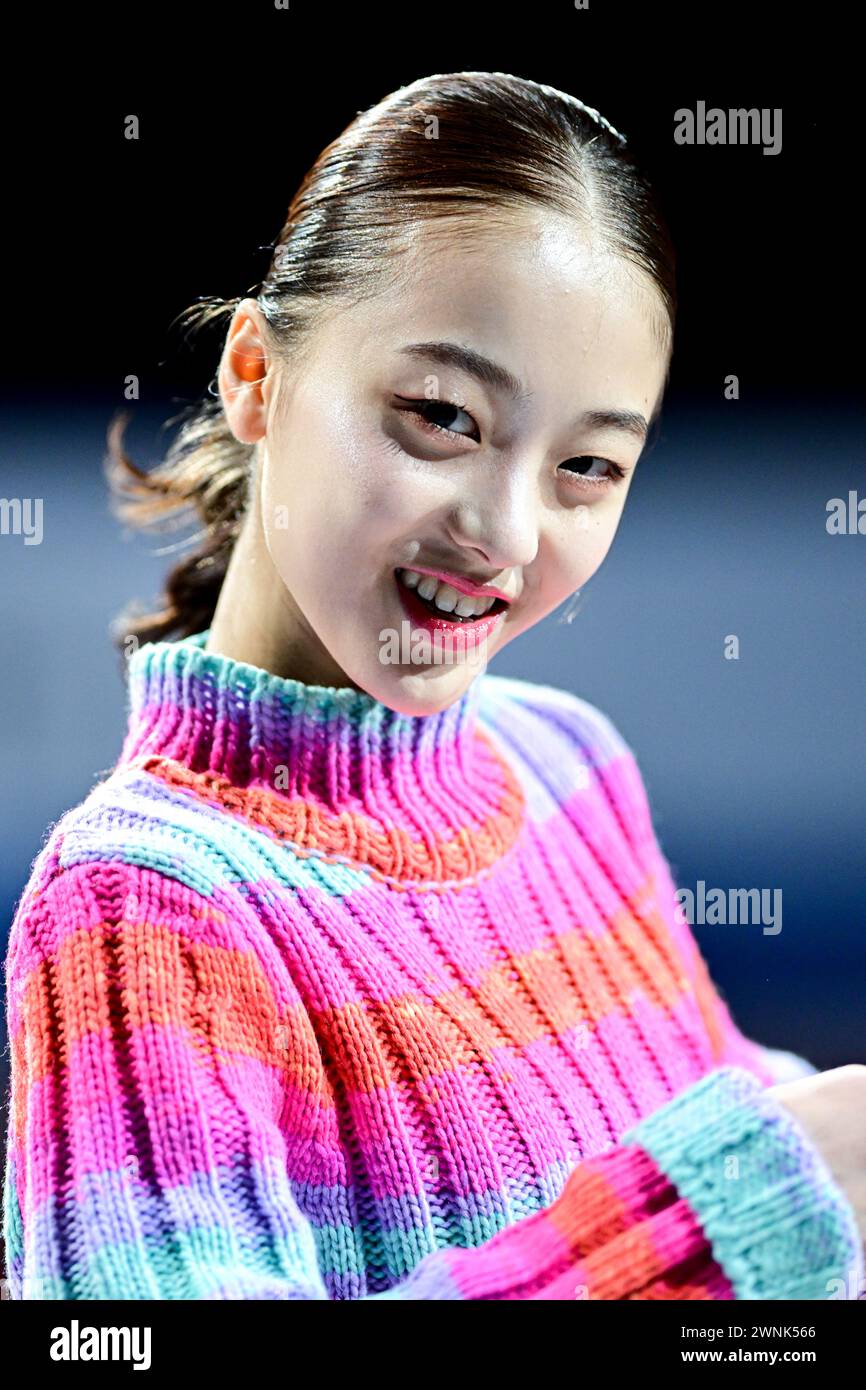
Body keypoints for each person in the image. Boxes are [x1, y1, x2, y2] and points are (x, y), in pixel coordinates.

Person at [3, 70, 864, 1302]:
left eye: (586, 465)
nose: (505, 531)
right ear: (255, 375)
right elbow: (735, 1196)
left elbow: (737, 1122)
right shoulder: (141, 907)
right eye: (442, 416)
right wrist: (706, 1225)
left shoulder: (568, 763)